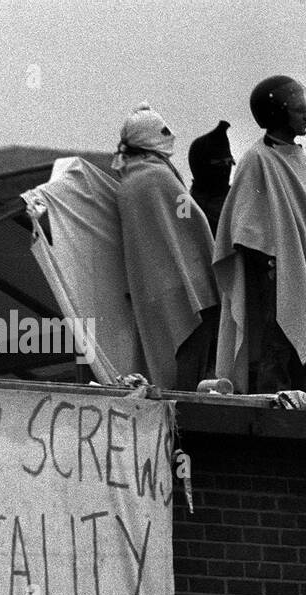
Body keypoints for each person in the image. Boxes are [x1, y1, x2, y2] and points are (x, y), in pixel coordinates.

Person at [212, 75, 306, 398]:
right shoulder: (257, 160)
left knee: (305, 353)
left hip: (300, 275)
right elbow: (243, 229)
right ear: (279, 114)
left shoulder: (301, 160)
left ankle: (302, 406)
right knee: (278, 346)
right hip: (275, 281)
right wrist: (275, 270)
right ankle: (276, 411)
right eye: (299, 110)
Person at [112, 103, 219, 391]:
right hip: (185, 283)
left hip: (153, 288)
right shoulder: (157, 176)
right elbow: (191, 222)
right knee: (191, 349)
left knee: (170, 354)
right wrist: (214, 261)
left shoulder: (129, 181)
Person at [187, 120, 234, 236]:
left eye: (229, 163)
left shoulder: (238, 201)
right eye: (219, 163)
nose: (226, 168)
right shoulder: (184, 203)